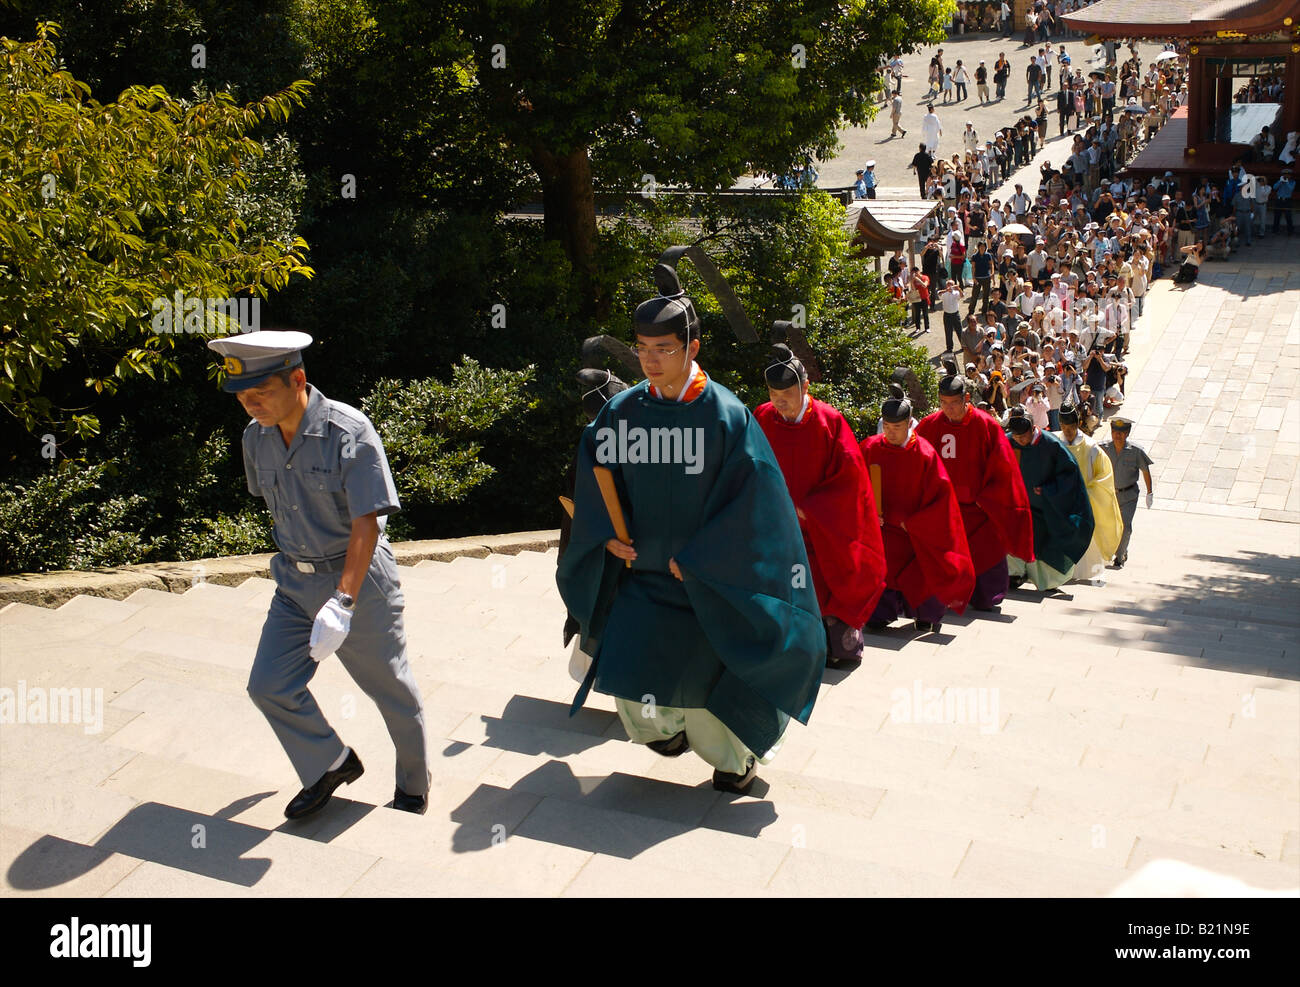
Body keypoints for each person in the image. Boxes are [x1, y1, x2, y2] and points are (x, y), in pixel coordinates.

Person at [557, 276, 826, 795]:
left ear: (693, 347)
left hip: (709, 581)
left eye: (664, 349)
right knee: (635, 688)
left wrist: (706, 557)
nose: (650, 361)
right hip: (643, 577)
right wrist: (605, 534)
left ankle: (735, 761)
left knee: (711, 701)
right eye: (642, 350)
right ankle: (667, 731)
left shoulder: (726, 416)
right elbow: (595, 472)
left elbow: (757, 504)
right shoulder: (623, 410)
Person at [205, 330, 432, 818]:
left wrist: (343, 601)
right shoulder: (255, 438)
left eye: (261, 392)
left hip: (357, 581)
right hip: (293, 581)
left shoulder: (348, 431)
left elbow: (366, 522)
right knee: (268, 685)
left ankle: (413, 785)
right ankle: (331, 762)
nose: (251, 405)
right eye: (242, 396)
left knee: (390, 688)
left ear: (298, 379)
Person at [756, 346, 887, 669]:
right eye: (774, 393)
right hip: (779, 528)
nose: (780, 401)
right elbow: (751, 466)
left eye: (787, 393)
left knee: (832, 586)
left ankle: (839, 650)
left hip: (826, 529)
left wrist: (809, 510)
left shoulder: (830, 422)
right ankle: (795, 651)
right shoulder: (762, 417)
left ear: (805, 388)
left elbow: (850, 480)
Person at [916, 363, 1035, 611]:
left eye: (953, 403)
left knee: (986, 553)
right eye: (943, 403)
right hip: (944, 508)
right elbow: (916, 463)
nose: (948, 409)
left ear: (966, 399)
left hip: (979, 508)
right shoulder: (929, 426)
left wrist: (986, 498)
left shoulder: (986, 425)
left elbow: (1004, 468)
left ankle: (986, 598)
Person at [860, 386, 975, 634]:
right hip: (882, 529)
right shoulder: (870, 448)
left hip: (915, 529)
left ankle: (926, 615)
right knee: (882, 571)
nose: (891, 433)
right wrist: (868, 510)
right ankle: (880, 615)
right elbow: (856, 485)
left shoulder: (924, 453)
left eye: (897, 428)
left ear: (908, 424)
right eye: (887, 428)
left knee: (922, 571)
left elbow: (941, 497)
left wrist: (914, 524)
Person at [1005, 405, 1095, 591]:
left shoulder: (1051, 445)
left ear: (1032, 429)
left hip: (1045, 507)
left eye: (1023, 437)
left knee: (1045, 546)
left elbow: (1069, 474)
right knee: (1009, 537)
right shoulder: (1008, 442)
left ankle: (1046, 582)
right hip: (1017, 506)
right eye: (1016, 437)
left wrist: (1049, 489)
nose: (1019, 441)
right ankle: (1014, 575)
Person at [1058, 404, 1124, 585]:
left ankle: (1081, 571)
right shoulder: (1056, 442)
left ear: (1077, 424)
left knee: (1083, 538)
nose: (1067, 431)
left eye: (1070, 428)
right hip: (1061, 500)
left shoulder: (1091, 447)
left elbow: (1104, 475)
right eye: (1064, 428)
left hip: (1083, 501)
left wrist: (1087, 491)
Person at [1098, 416, 1154, 569]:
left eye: (1121, 432)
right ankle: (1109, 551)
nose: (1118, 435)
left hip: (1128, 495)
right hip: (1108, 494)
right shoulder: (1102, 448)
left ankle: (1120, 555)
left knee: (1125, 526)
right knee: (1108, 525)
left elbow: (1145, 471)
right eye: (1115, 431)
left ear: (1128, 433)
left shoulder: (1136, 451)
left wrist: (1150, 493)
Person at [1272, 168, 1294, 235]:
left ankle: (1290, 231)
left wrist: (1286, 182)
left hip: (1287, 201)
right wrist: (1280, 181)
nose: (1286, 176)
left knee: (1288, 216)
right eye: (1285, 174)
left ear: (1290, 175)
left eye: (1288, 174)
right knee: (1277, 216)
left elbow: (1291, 189)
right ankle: (1275, 230)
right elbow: (1274, 187)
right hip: (1279, 200)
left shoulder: (1292, 182)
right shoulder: (1280, 181)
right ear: (1282, 175)